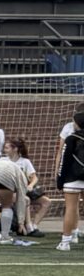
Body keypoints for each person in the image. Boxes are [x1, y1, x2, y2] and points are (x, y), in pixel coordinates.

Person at [56, 106, 84, 252]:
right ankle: (74, 235)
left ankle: (65, 242)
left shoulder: (71, 138)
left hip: (72, 177)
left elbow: (64, 160)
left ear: (77, 123)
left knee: (71, 208)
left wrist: (60, 179)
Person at [6, 137, 46, 235]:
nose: (4, 150)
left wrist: (31, 185)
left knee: (46, 202)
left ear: (15, 149)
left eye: (7, 148)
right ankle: (27, 227)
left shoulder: (25, 162)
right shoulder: (5, 161)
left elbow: (34, 177)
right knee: (26, 199)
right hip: (10, 191)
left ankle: (34, 225)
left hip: (23, 190)